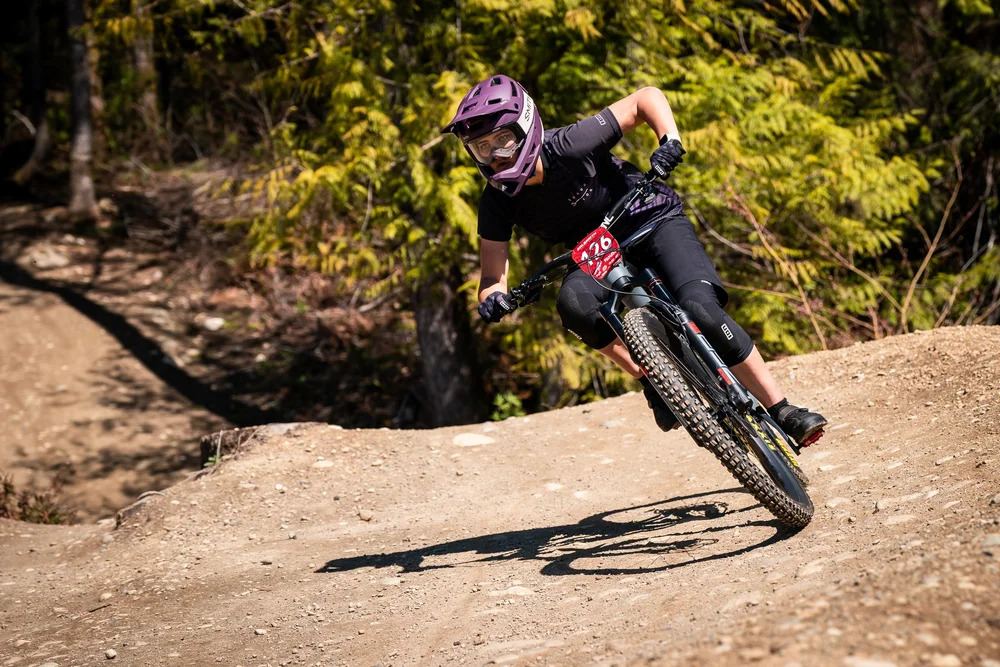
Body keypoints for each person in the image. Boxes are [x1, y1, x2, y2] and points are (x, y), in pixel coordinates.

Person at [441, 74, 827, 445]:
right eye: (482, 147)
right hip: (595, 250)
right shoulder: (495, 202)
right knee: (573, 305)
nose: (494, 157)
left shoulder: (569, 146)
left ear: (526, 128)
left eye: (502, 141)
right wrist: (493, 299)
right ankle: (652, 380)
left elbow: (645, 99)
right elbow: (492, 275)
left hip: (650, 216)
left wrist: (669, 140)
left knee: (700, 309)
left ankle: (782, 408)